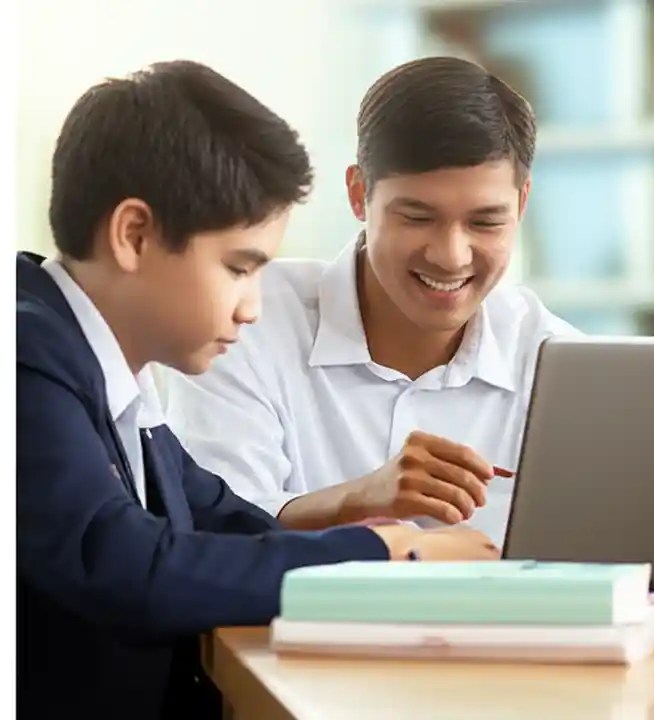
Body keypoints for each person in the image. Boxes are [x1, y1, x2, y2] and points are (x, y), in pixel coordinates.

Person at [17, 60, 498, 719]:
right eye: (239, 269)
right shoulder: (25, 356)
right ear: (134, 235)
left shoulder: (111, 377)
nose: (251, 307)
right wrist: (387, 552)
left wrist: (384, 550)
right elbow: (124, 565)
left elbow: (222, 521)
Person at [165, 56, 576, 540]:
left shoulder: (560, 364)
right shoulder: (243, 319)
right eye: (417, 217)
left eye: (485, 222)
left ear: (522, 203)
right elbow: (209, 534)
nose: (450, 256)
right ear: (359, 194)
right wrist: (357, 501)